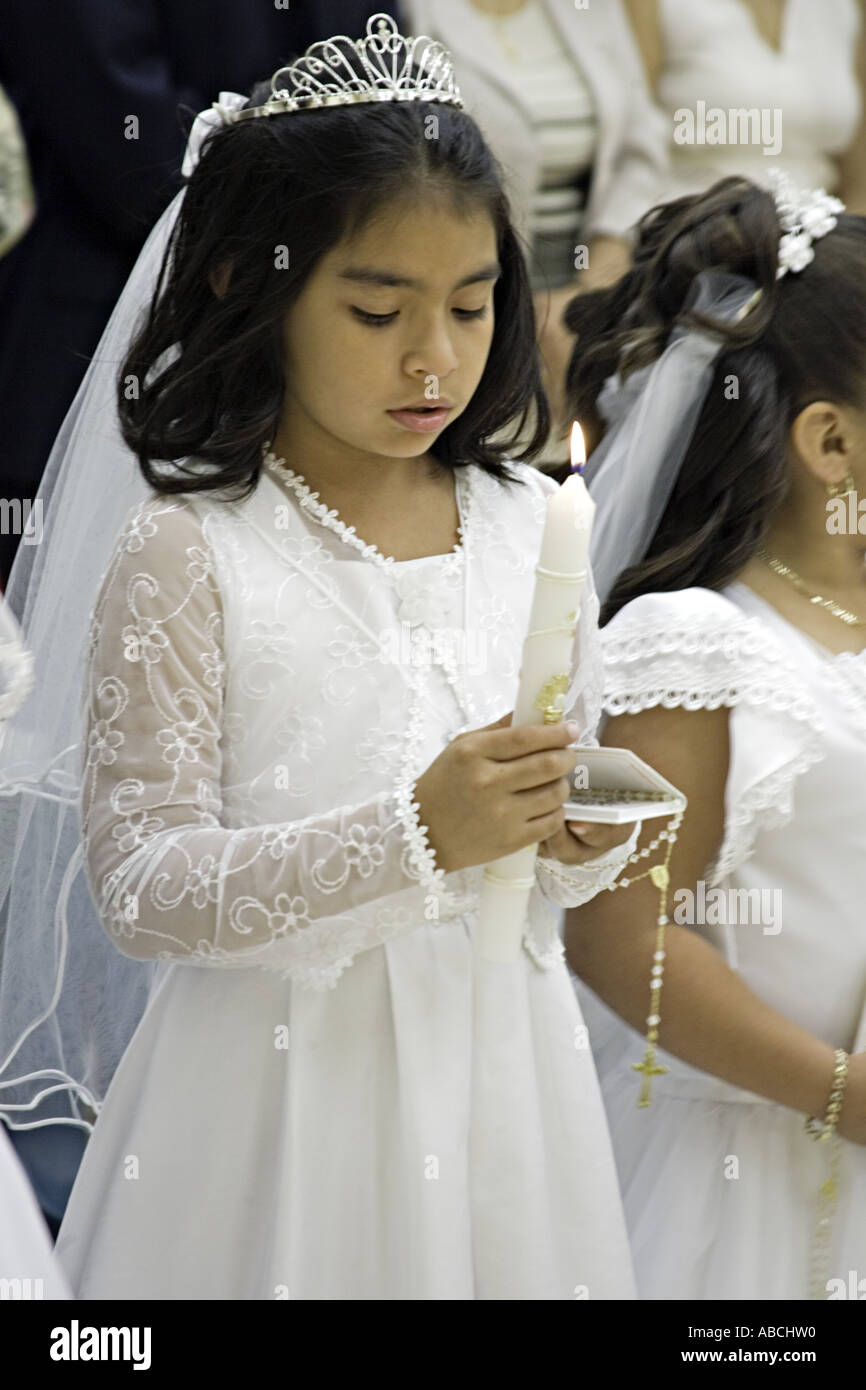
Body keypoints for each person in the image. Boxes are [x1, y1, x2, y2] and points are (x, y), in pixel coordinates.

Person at [8, 17, 639, 1300]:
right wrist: (414, 832)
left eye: (471, 307)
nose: (434, 357)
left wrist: (583, 830)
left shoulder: (534, 525)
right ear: (250, 284)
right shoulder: (192, 552)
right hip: (279, 1095)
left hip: (502, 1081)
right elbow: (145, 886)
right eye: (375, 309)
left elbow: (556, 820)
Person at [561, 173, 866, 1299]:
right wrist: (839, 1091)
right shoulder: (691, 644)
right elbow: (614, 933)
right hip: (750, 1171)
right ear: (828, 443)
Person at [401, 0, 671, 458]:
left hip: (587, 302)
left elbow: (639, 146)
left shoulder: (587, 9)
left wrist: (586, 297)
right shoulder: (409, 13)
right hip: (469, 300)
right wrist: (514, 313)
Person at [625, 0, 866, 211]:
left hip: (818, 238)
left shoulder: (844, 7)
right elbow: (627, 149)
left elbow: (859, 182)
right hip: (690, 235)